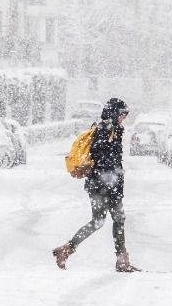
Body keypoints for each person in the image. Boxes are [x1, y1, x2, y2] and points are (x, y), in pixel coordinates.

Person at [52, 97, 139, 272]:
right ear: (114, 113)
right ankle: (67, 249)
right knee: (101, 221)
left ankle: (121, 260)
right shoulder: (105, 128)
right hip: (102, 185)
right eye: (122, 114)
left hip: (108, 184)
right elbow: (98, 156)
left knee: (115, 220)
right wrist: (112, 175)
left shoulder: (113, 128)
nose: (124, 118)